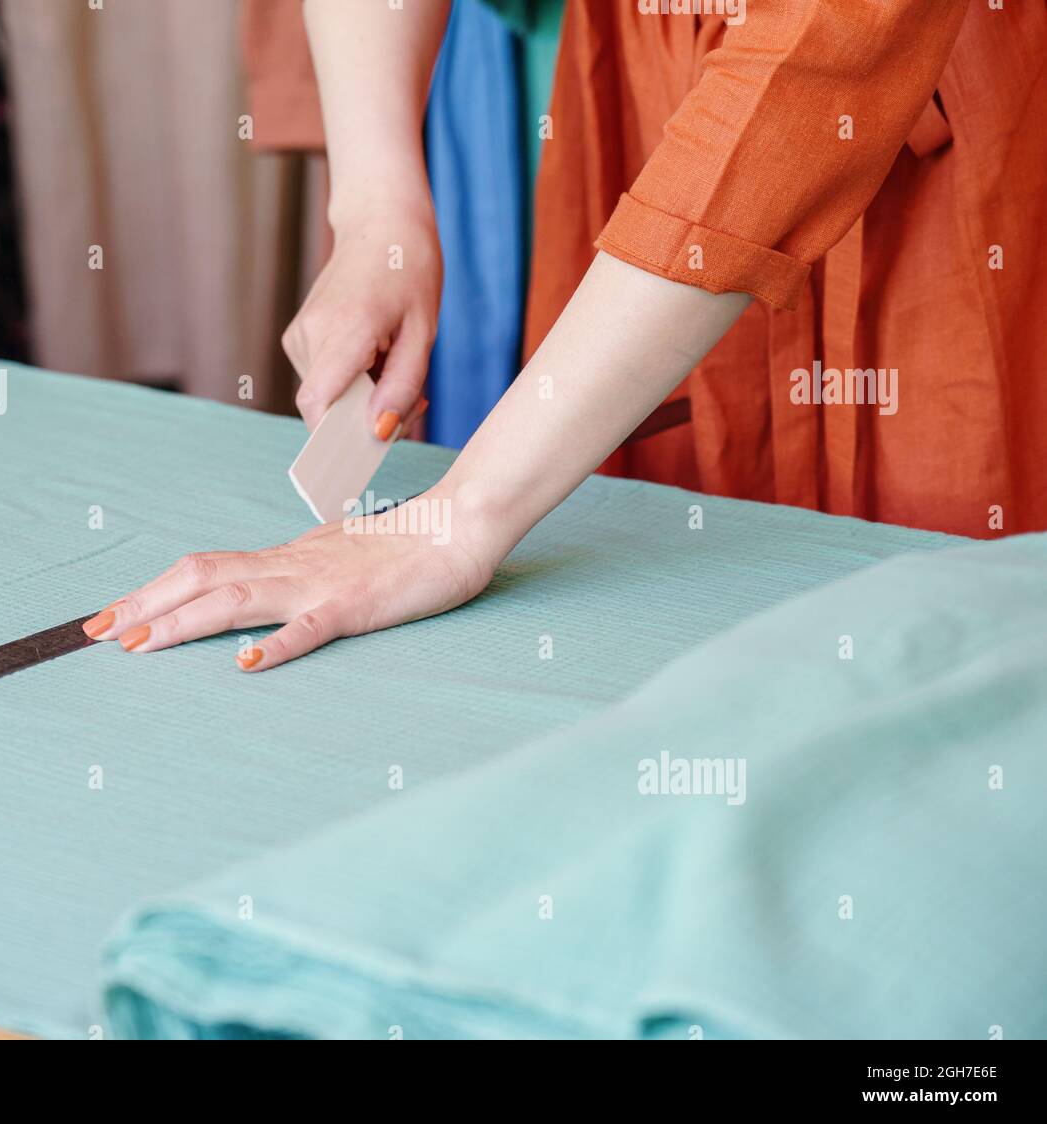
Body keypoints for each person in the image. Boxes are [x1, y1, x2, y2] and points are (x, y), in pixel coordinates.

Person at [82, 0, 1045, 670]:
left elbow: (826, 37)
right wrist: (377, 209)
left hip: (953, 115)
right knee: (653, 596)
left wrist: (462, 516)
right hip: (660, 102)